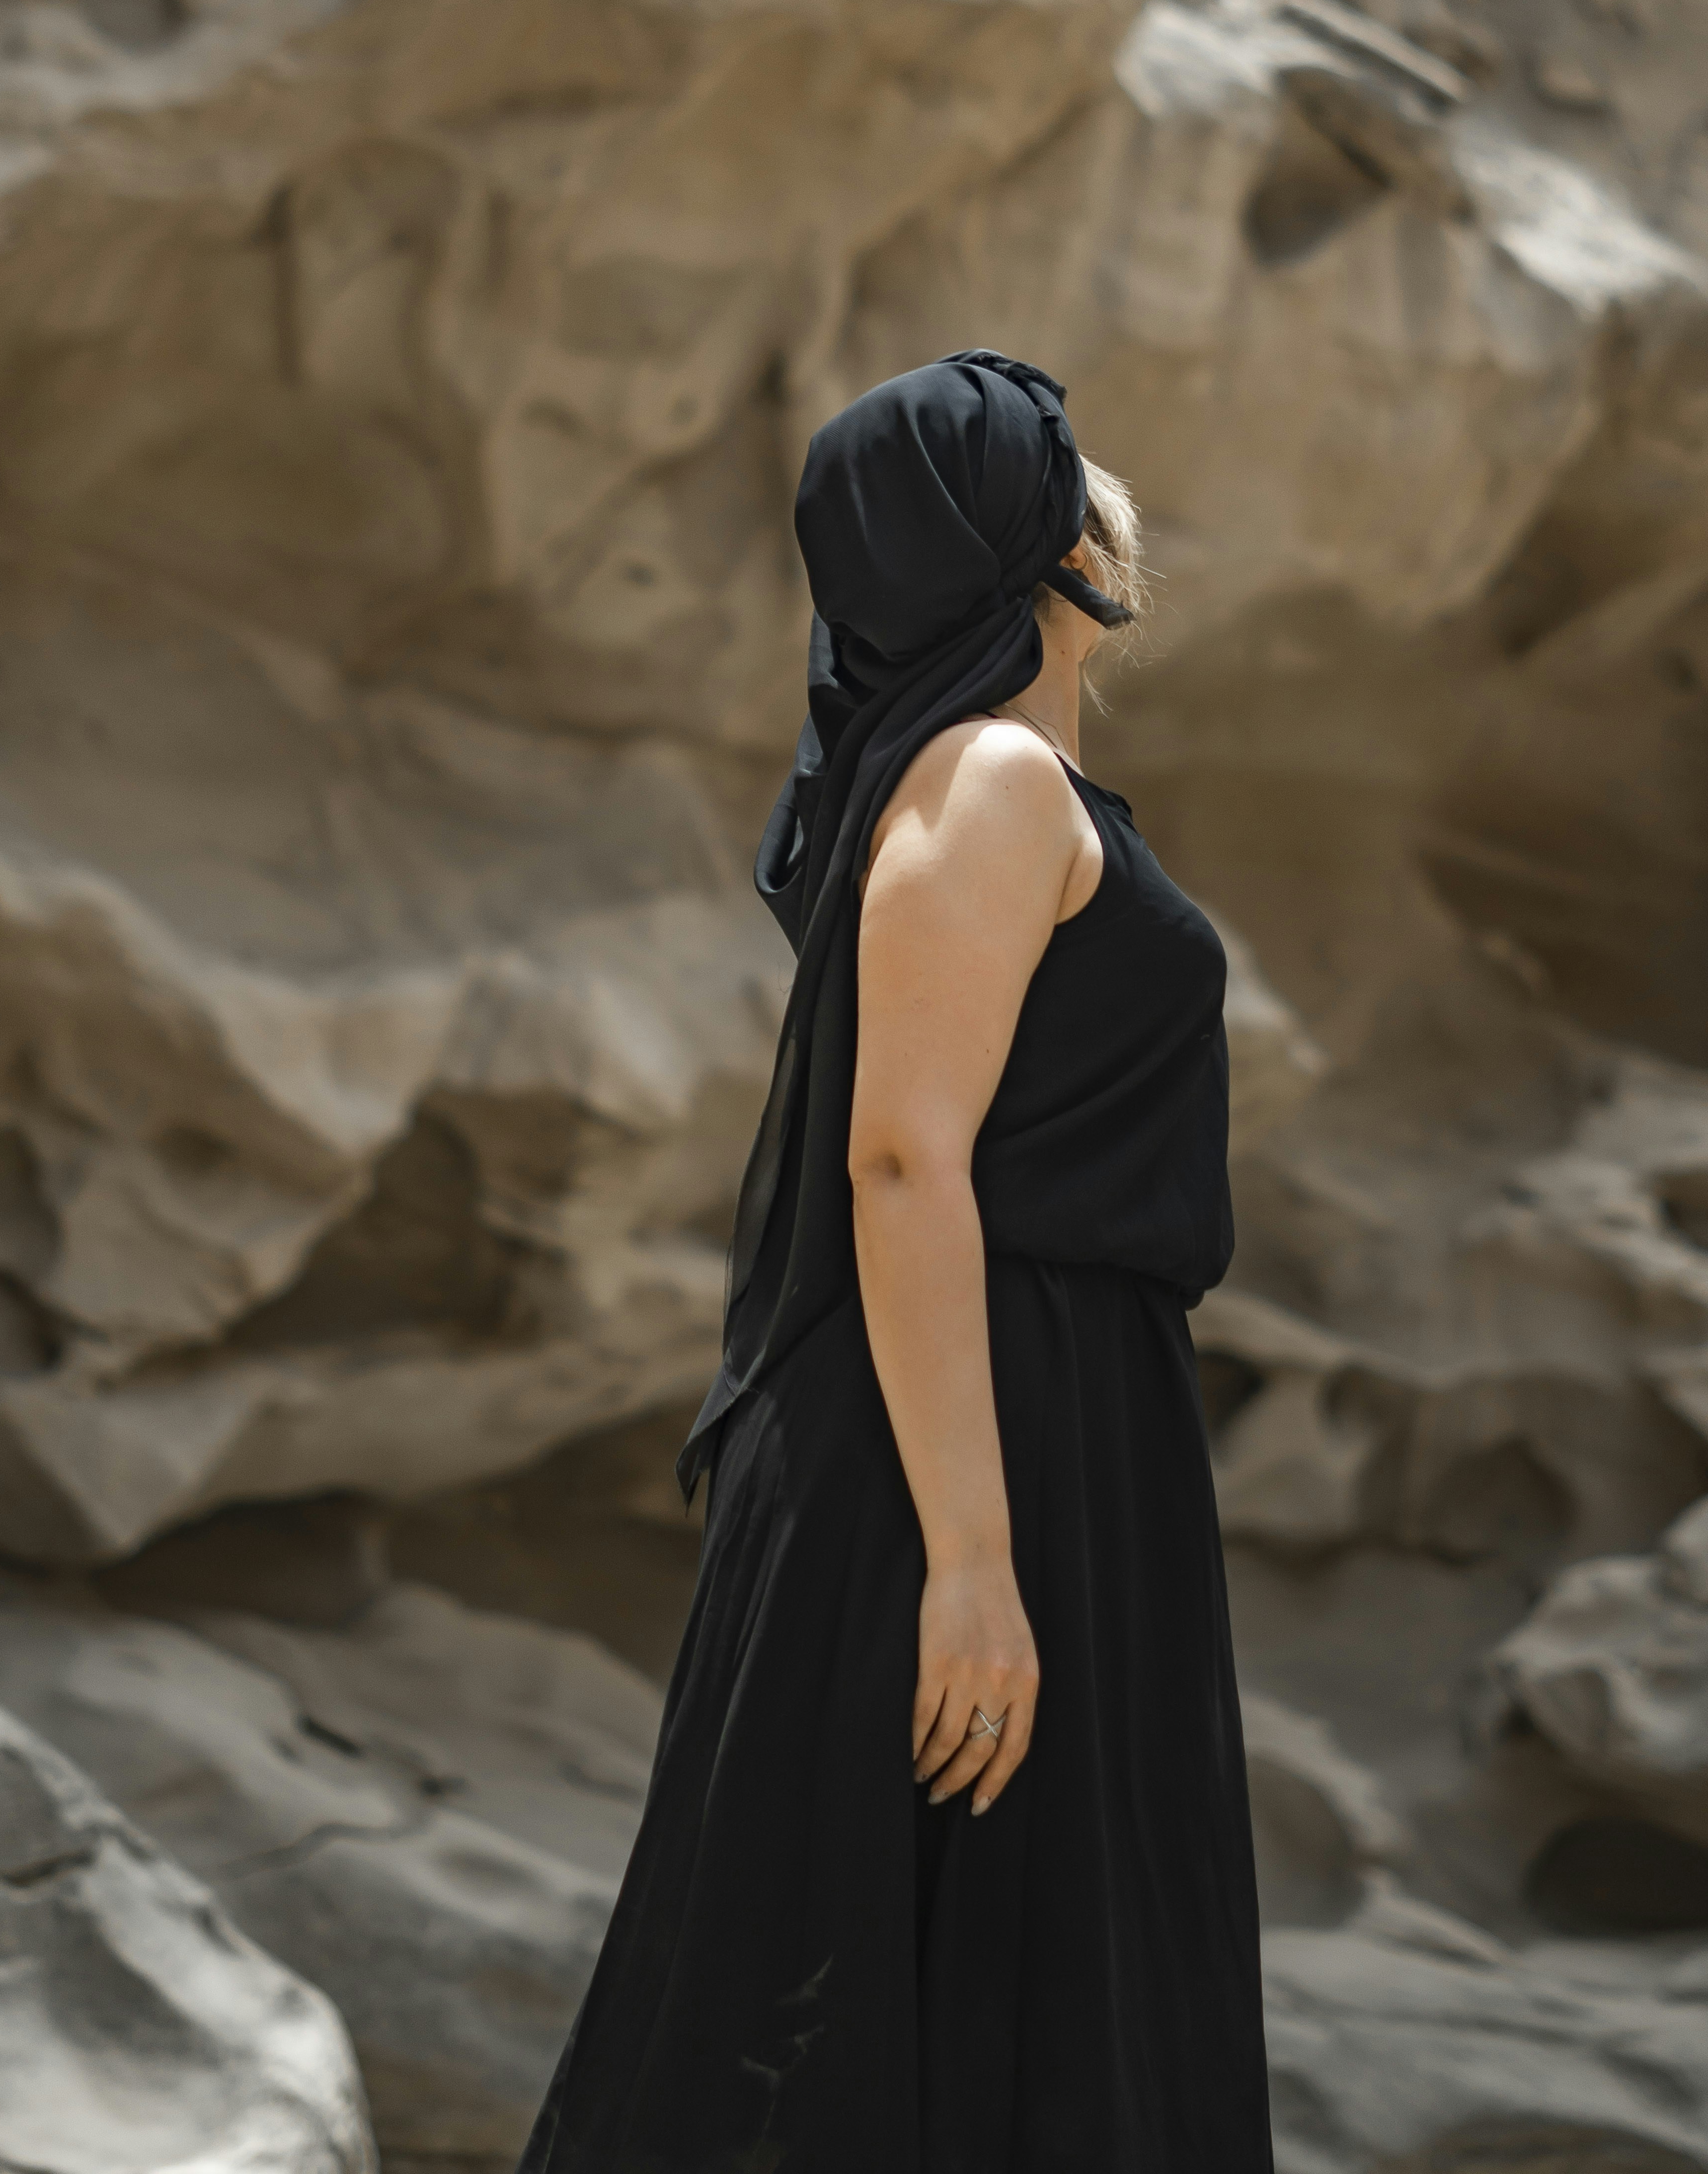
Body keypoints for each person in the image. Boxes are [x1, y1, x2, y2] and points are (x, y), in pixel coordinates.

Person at [516, 348, 1275, 2173]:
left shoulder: (984, 784)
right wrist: (974, 1562)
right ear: (1023, 540)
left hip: (1035, 1433)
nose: (1108, 484)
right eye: (1064, 460)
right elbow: (901, 1156)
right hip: (960, 1450)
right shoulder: (993, 778)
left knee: (1001, 1986)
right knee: (857, 2004)